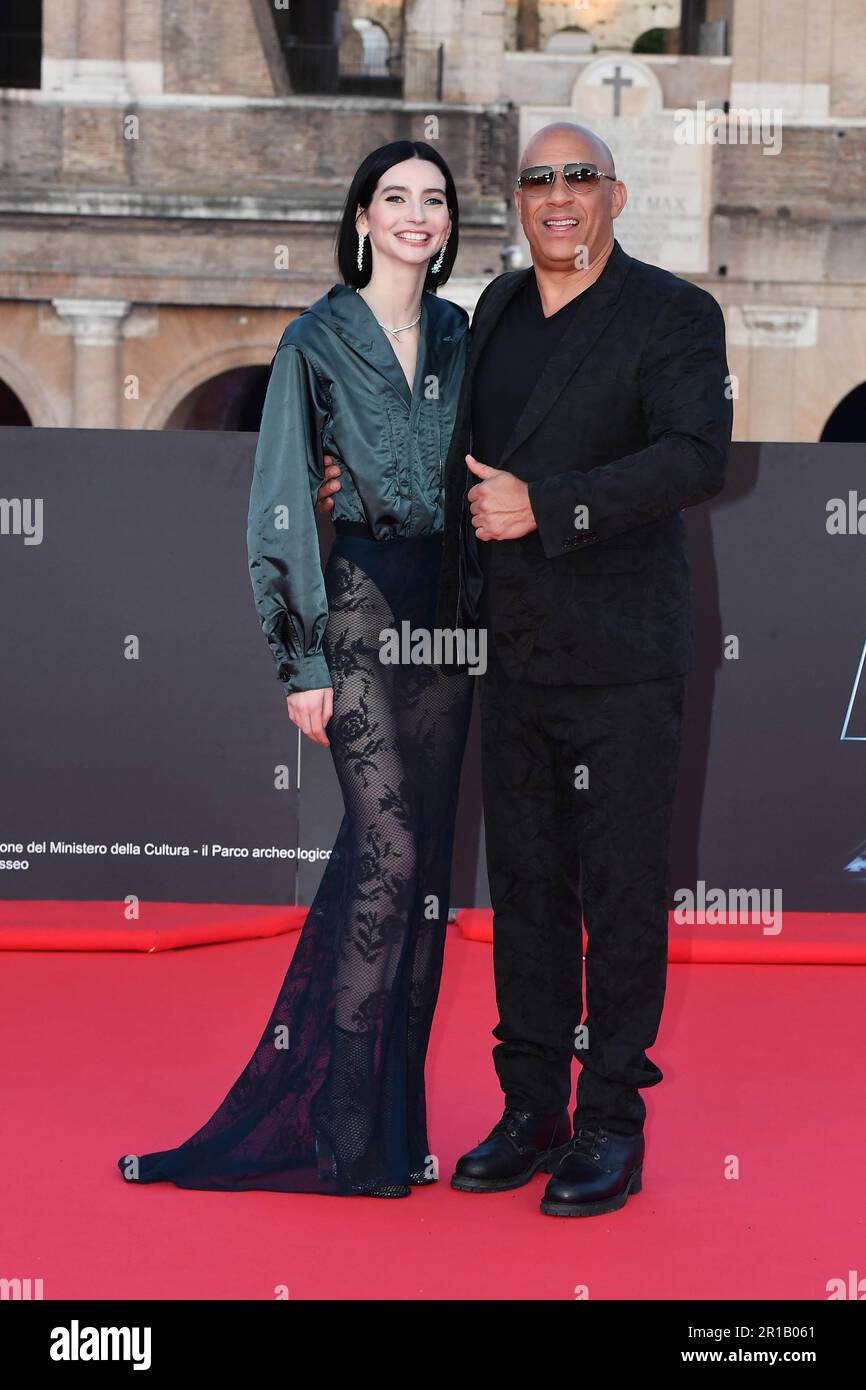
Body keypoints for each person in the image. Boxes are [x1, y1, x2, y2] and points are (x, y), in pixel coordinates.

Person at [317, 122, 733, 1217]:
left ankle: (608, 1120)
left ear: (613, 195)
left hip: (620, 658)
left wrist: (551, 505)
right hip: (503, 652)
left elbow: (696, 455)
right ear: (518, 199)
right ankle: (530, 1105)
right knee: (529, 890)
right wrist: (353, 485)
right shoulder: (493, 307)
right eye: (538, 179)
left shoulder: (673, 315)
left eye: (577, 178)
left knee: (620, 893)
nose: (557, 196)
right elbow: (439, 444)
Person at [117, 141, 474, 1198]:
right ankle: (342, 1124)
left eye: (435, 201)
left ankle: (397, 1121)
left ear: (449, 225)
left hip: (454, 620)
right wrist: (298, 657)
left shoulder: (465, 337)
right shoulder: (313, 341)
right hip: (358, 605)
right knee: (390, 853)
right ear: (361, 215)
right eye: (396, 198)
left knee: (423, 885)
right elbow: (280, 501)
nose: (417, 215)